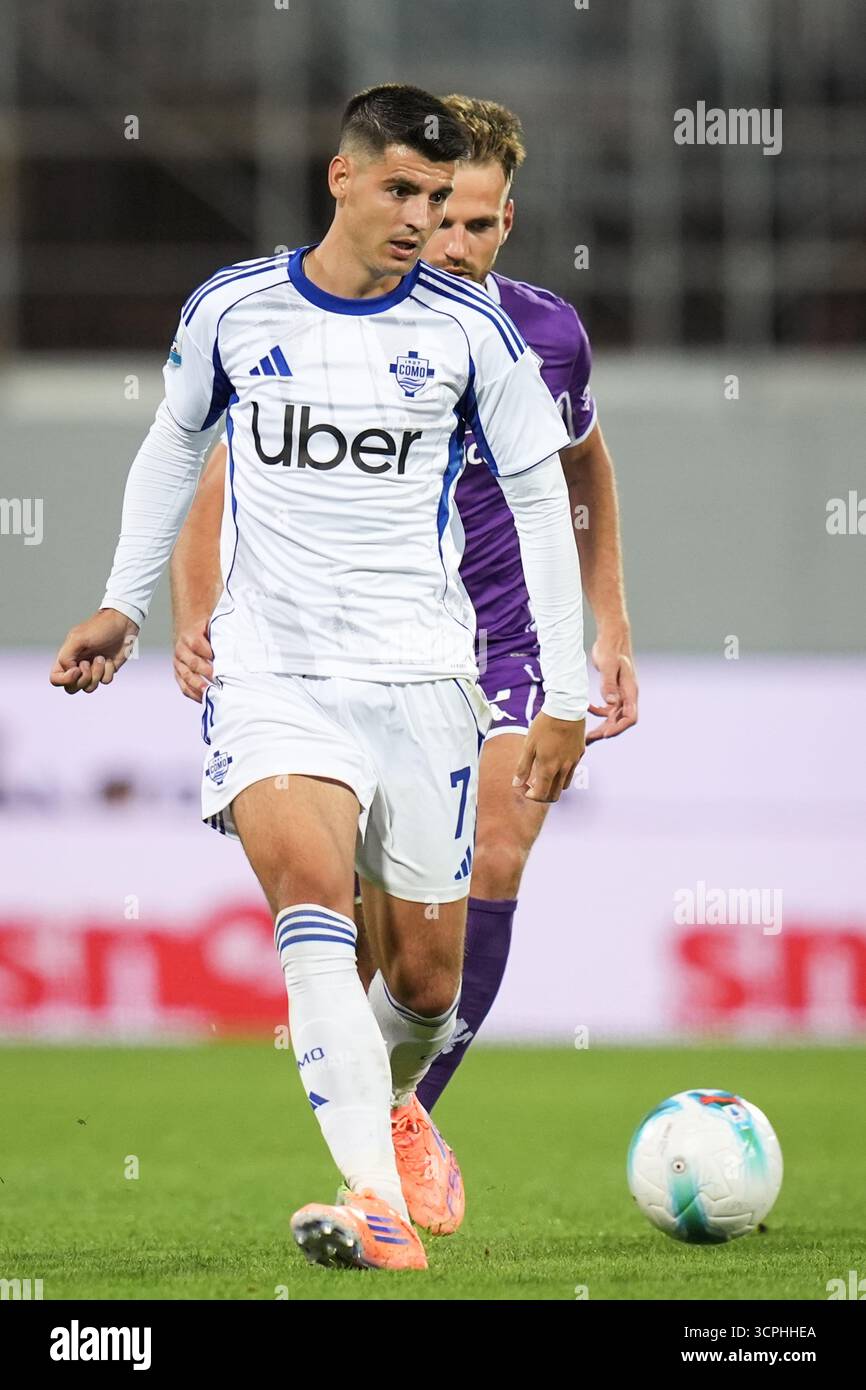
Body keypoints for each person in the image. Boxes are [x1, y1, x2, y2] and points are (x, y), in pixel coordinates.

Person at [50, 85, 589, 1272]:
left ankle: (387, 1104)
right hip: (273, 670)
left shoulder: (472, 333)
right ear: (340, 179)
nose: (419, 218)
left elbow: (547, 502)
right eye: (401, 190)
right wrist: (123, 601)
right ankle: (373, 1203)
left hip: (425, 678)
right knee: (309, 896)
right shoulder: (234, 308)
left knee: (426, 983)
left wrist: (564, 686)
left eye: (439, 199)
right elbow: (174, 445)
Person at [172, 94, 637, 1123]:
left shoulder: (546, 335)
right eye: (438, 216)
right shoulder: (333, 321)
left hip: (502, 638)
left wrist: (608, 625)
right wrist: (194, 613)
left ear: (505, 220)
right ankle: (381, 1093)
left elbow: (583, 469)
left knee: (501, 852)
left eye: (478, 222)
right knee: (389, 939)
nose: (452, 242)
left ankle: (402, 1122)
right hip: (352, 650)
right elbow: (217, 486)